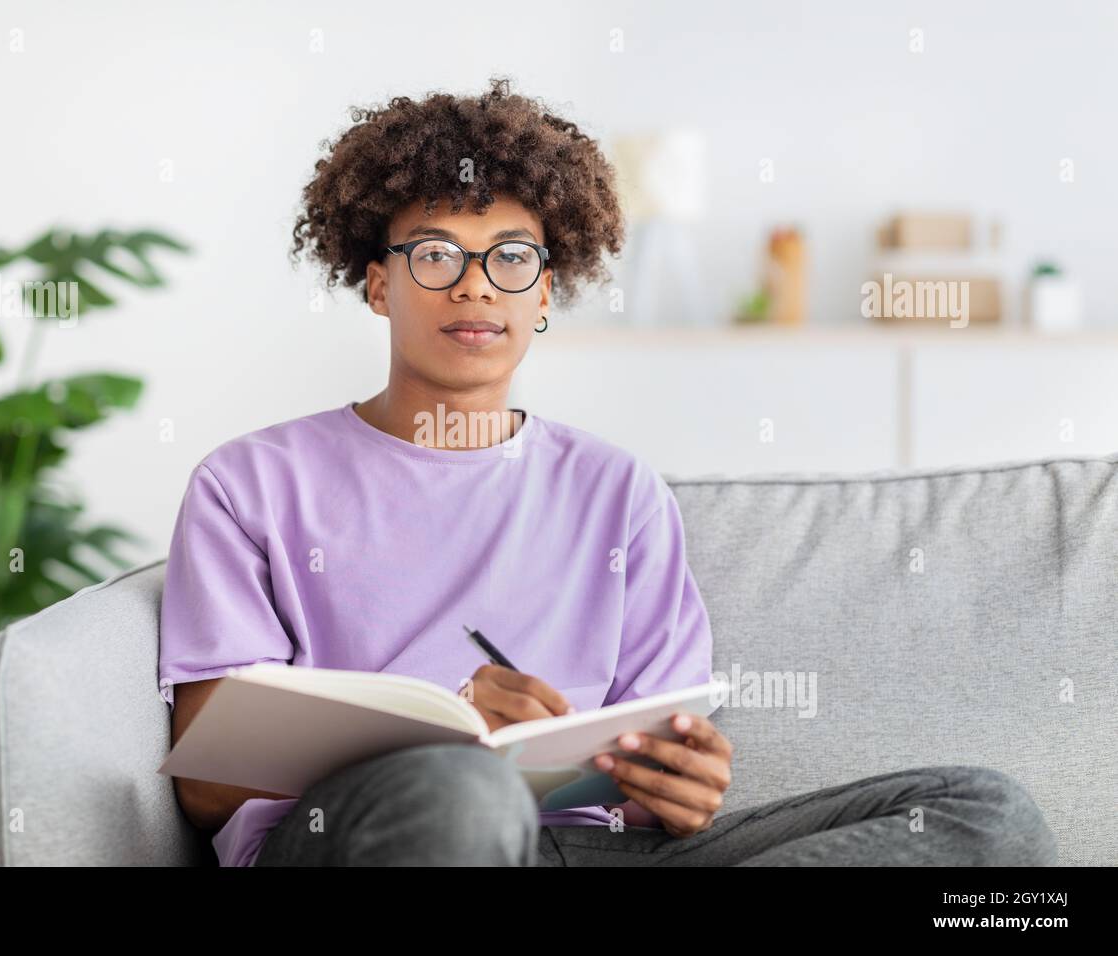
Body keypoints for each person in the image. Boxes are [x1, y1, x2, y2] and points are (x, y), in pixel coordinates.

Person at [157, 76, 1057, 867]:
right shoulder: (251, 485)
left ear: (546, 289)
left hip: (588, 846)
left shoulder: (619, 493)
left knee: (986, 817)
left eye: (511, 258)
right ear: (377, 283)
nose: (475, 287)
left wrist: (680, 788)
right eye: (435, 255)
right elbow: (204, 790)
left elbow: (651, 769)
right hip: (371, 835)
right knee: (464, 795)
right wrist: (438, 728)